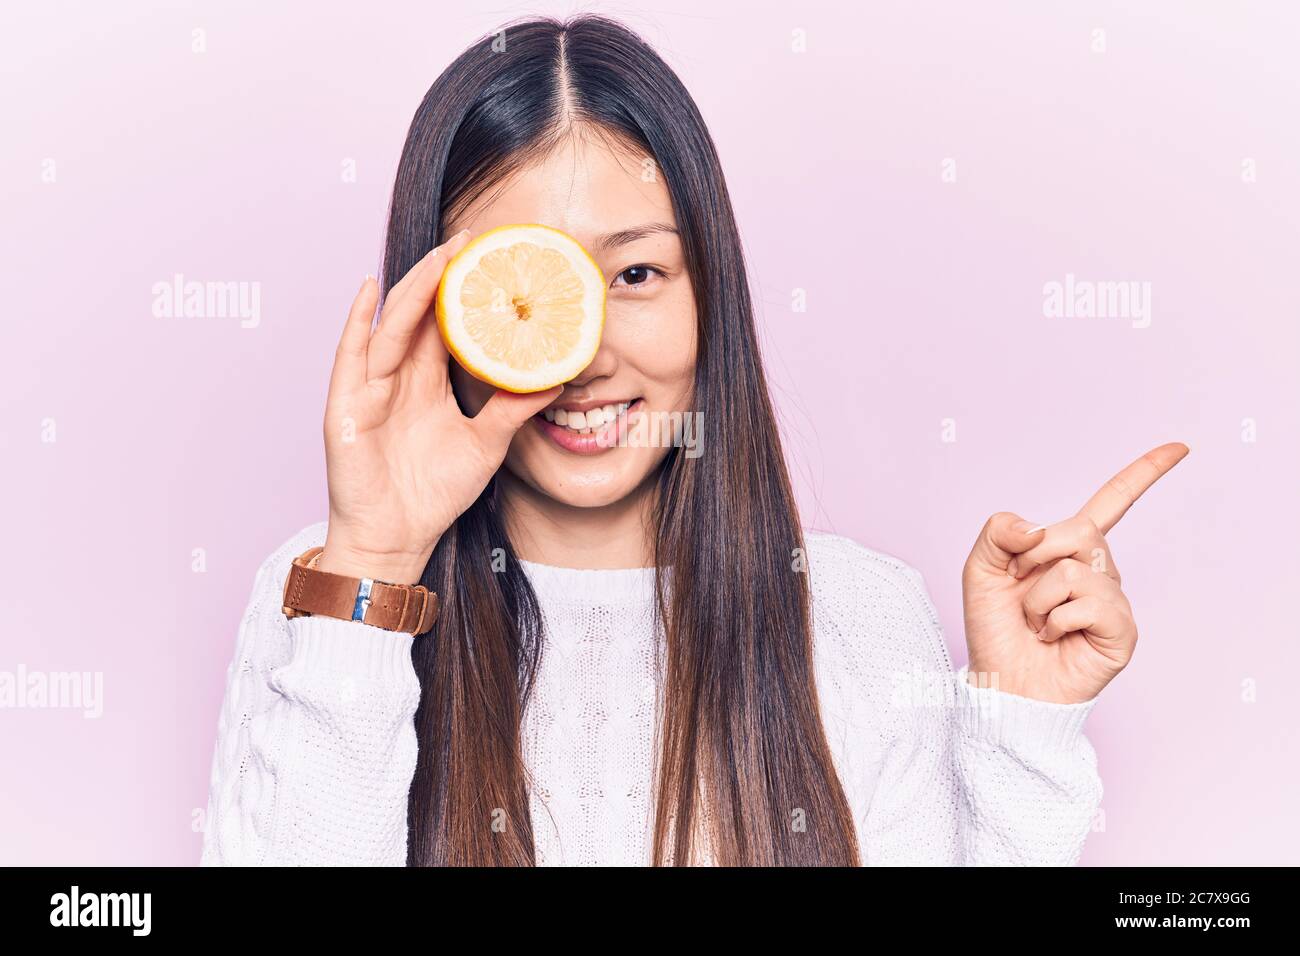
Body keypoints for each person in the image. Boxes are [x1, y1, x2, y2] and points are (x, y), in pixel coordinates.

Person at [199, 14, 1186, 866]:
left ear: (709, 289)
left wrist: (1022, 728)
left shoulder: (859, 615)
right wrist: (371, 566)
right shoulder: (327, 596)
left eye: (634, 276)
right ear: (439, 307)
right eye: (525, 290)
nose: (583, 358)